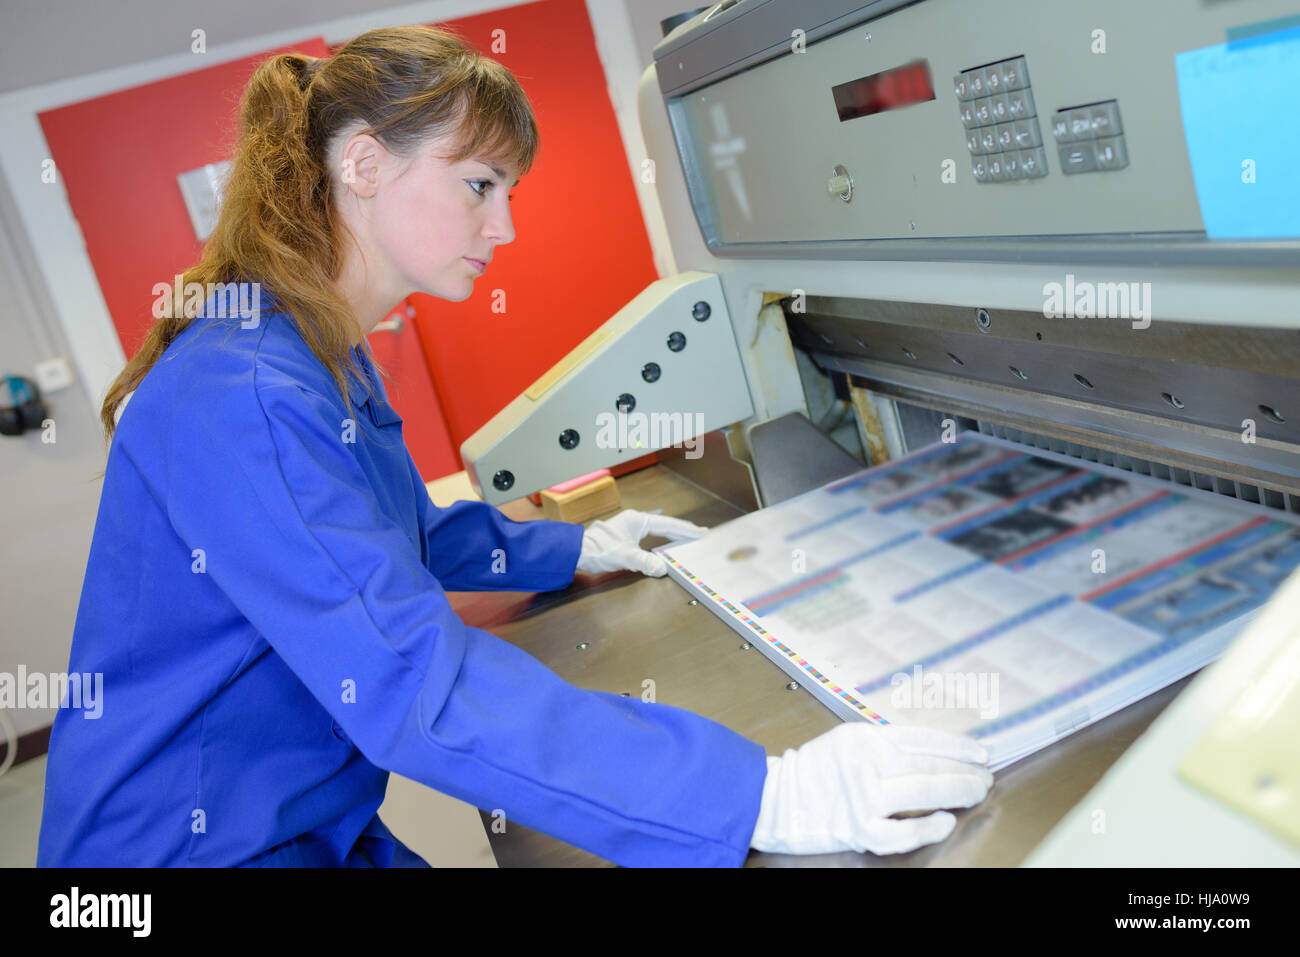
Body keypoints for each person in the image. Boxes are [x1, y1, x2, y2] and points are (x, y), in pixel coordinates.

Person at [37, 25, 992, 867]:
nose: (505, 224)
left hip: (306, 821)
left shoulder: (315, 348)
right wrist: (758, 796)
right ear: (363, 165)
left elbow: (402, 536)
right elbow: (415, 683)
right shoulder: (242, 390)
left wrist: (576, 545)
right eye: (480, 184)